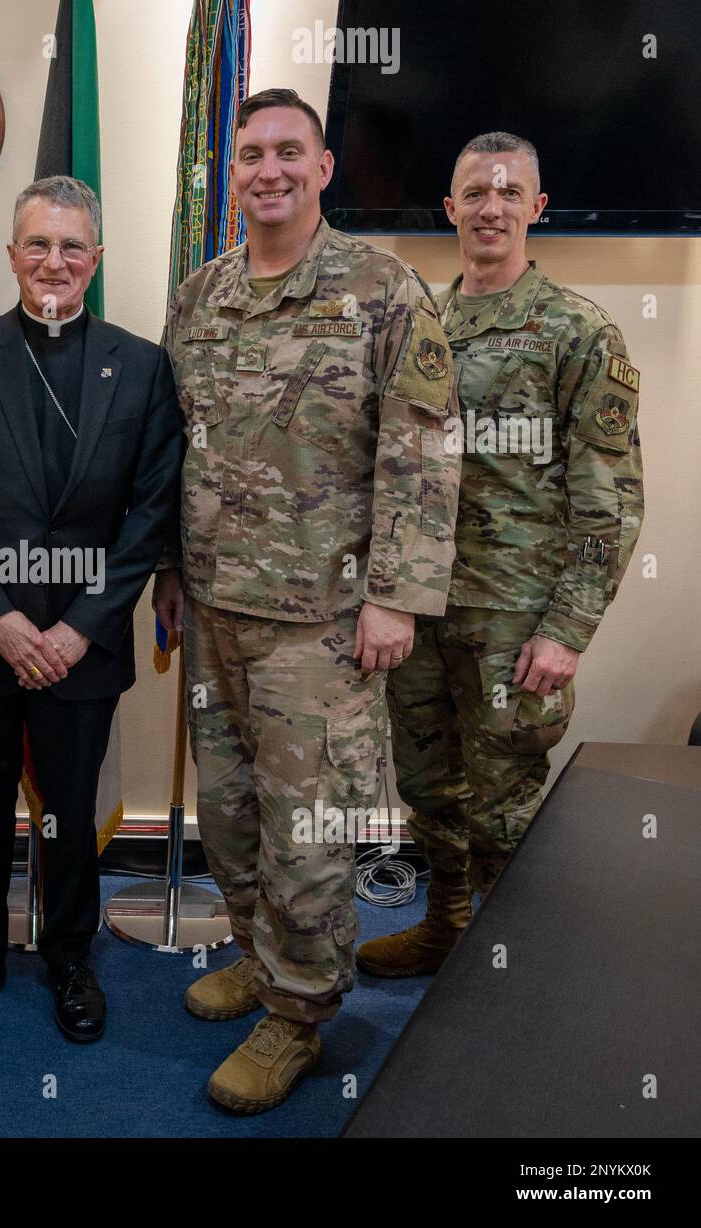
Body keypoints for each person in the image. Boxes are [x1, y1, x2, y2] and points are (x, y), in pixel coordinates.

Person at [153, 89, 461, 1112]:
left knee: (311, 830)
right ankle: (256, 952)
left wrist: (397, 598)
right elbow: (177, 447)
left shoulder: (383, 290)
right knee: (232, 814)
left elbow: (421, 452)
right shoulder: (201, 296)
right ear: (230, 173)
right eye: (250, 154)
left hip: (323, 627)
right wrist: (165, 574)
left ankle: (299, 1014)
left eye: (290, 151)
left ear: (323, 169)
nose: (269, 169)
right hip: (216, 613)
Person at [357, 132, 645, 976]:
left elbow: (611, 498)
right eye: (475, 194)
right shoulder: (419, 324)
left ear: (536, 209)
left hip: (513, 621)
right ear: (450, 209)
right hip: (419, 608)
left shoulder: (577, 331)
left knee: (504, 801)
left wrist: (568, 629)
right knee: (428, 785)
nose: (491, 207)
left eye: (510, 192)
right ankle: (446, 924)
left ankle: (514, 975)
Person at [0, 175, 183, 1042]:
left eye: (72, 247)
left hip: (82, 642)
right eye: (38, 245)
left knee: (68, 813)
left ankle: (70, 958)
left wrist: (76, 629)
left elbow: (151, 513)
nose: (54, 262)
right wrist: (0, 617)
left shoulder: (141, 365)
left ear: (95, 259)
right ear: (12, 255)